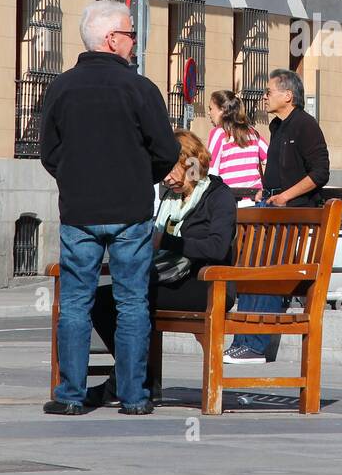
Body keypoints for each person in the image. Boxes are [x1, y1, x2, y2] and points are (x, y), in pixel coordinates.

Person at [40, 0, 180, 416]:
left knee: (76, 304)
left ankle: (70, 396)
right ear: (111, 39)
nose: (135, 42)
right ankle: (135, 398)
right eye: (131, 34)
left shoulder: (61, 88)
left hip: (80, 212)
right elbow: (166, 150)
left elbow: (49, 152)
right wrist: (140, 178)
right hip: (130, 211)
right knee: (132, 302)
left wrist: (75, 179)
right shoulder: (140, 88)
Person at [86, 130, 238, 407]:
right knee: (102, 300)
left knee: (129, 301)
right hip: (169, 279)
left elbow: (217, 248)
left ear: (190, 162)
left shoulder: (219, 196)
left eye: (169, 170)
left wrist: (166, 241)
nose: (165, 178)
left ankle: (127, 381)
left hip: (206, 284)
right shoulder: (170, 199)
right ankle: (133, 377)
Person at [224, 69, 329, 366]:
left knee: (270, 276)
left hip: (292, 216)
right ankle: (241, 341)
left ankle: (256, 345)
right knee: (249, 271)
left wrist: (285, 196)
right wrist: (265, 192)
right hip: (270, 210)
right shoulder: (277, 126)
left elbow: (320, 172)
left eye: (270, 91)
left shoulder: (305, 126)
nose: (264, 96)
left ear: (288, 95)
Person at [206, 89, 268, 205]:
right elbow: (270, 158)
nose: (209, 113)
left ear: (222, 110)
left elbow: (212, 170)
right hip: (254, 200)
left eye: (210, 109)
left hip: (228, 200)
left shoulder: (218, 133)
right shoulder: (253, 132)